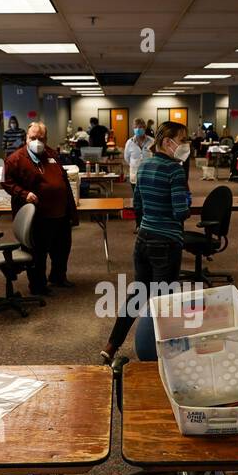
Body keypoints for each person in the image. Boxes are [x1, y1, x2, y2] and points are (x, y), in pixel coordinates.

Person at [100, 121, 192, 363]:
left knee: (139, 295)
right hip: (167, 241)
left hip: (143, 239)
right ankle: (165, 356)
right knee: (165, 302)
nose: (186, 145)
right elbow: (180, 212)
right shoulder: (175, 171)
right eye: (182, 140)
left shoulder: (143, 165)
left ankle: (111, 345)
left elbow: (137, 205)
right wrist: (186, 200)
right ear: (166, 142)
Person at [1, 122, 78, 294]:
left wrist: (71, 210)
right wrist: (23, 193)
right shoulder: (15, 159)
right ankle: (38, 285)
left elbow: (62, 179)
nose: (36, 141)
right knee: (38, 252)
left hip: (60, 212)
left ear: (46, 138)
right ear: (26, 138)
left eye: (40, 138)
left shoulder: (51, 153)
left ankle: (58, 277)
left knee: (62, 248)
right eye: (32, 138)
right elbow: (6, 182)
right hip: (37, 215)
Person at [124, 118, 153, 185]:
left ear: (144, 128)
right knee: (136, 195)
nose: (137, 129)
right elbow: (127, 158)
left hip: (149, 176)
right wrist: (135, 163)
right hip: (135, 177)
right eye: (135, 127)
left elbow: (156, 157)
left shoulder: (152, 141)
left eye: (139, 127)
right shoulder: (129, 142)